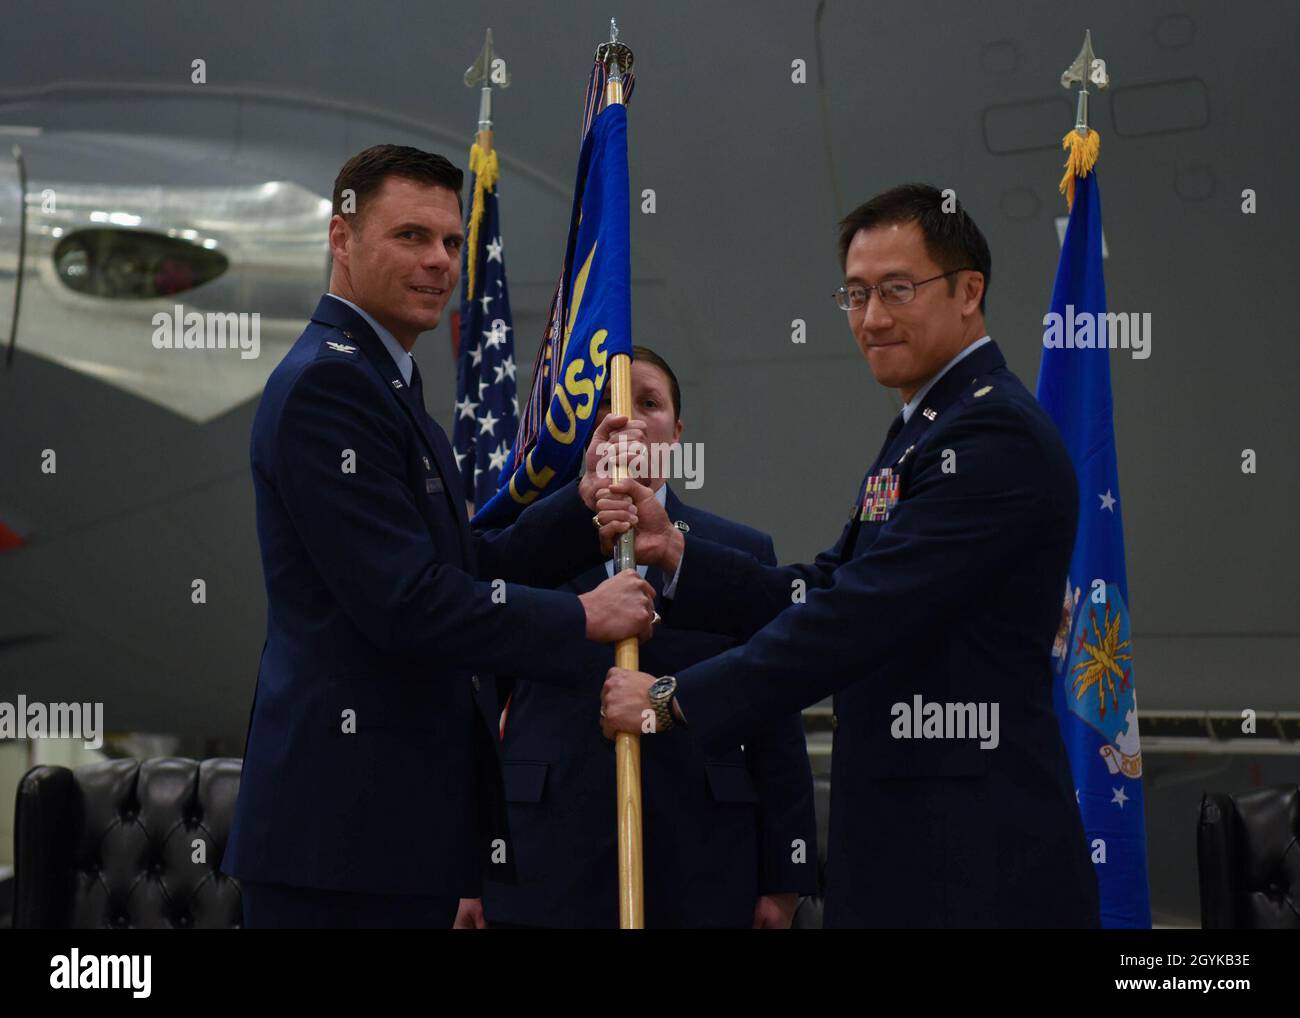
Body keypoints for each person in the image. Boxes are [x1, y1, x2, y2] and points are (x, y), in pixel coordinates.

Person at [601, 184, 1101, 928]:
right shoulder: (926, 428)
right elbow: (829, 586)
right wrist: (675, 551)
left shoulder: (994, 438)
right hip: (912, 845)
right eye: (857, 294)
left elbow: (856, 618)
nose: (871, 318)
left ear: (970, 291)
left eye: (897, 290)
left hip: (973, 862)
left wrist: (673, 702)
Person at [221, 144, 655, 928]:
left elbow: (459, 563)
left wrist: (581, 505)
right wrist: (583, 617)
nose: (441, 262)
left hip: (383, 836)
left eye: (453, 242)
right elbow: (407, 602)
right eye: (411, 237)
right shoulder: (332, 386)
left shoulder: (382, 379)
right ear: (341, 237)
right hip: (340, 846)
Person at [468, 347, 817, 929]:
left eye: (647, 402)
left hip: (701, 854)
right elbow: (480, 702)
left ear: (677, 432)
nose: (627, 417)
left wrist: (784, 875)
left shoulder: (739, 553)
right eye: (606, 405)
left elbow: (772, 712)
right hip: (542, 858)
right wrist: (467, 868)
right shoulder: (526, 547)